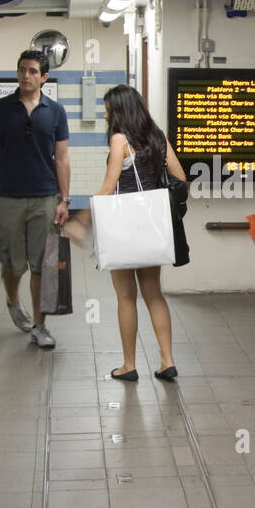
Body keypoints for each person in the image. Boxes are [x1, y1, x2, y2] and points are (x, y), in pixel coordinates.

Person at [0, 48, 70, 349]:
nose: (26, 75)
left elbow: (62, 158)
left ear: (44, 77)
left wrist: (64, 200)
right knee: (11, 263)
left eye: (33, 71)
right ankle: (12, 300)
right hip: (7, 198)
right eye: (22, 70)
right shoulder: (0, 109)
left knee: (42, 265)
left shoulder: (56, 112)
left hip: (45, 197)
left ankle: (40, 325)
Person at [91, 84, 187, 381]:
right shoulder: (157, 137)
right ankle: (167, 360)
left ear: (121, 111)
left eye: (109, 108)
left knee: (125, 297)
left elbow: (109, 187)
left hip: (123, 226)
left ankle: (129, 365)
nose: (106, 114)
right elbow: (180, 178)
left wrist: (85, 218)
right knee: (154, 294)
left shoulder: (119, 139)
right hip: (150, 225)